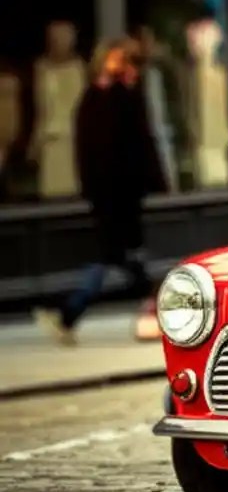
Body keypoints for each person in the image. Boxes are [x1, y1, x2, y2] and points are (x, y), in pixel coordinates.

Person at [35, 39, 167, 344]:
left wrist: (153, 180)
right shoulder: (98, 98)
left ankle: (71, 315)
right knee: (121, 257)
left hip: (125, 193)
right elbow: (91, 148)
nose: (121, 67)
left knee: (122, 257)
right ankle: (156, 310)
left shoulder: (124, 97)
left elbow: (141, 142)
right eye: (117, 61)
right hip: (108, 193)